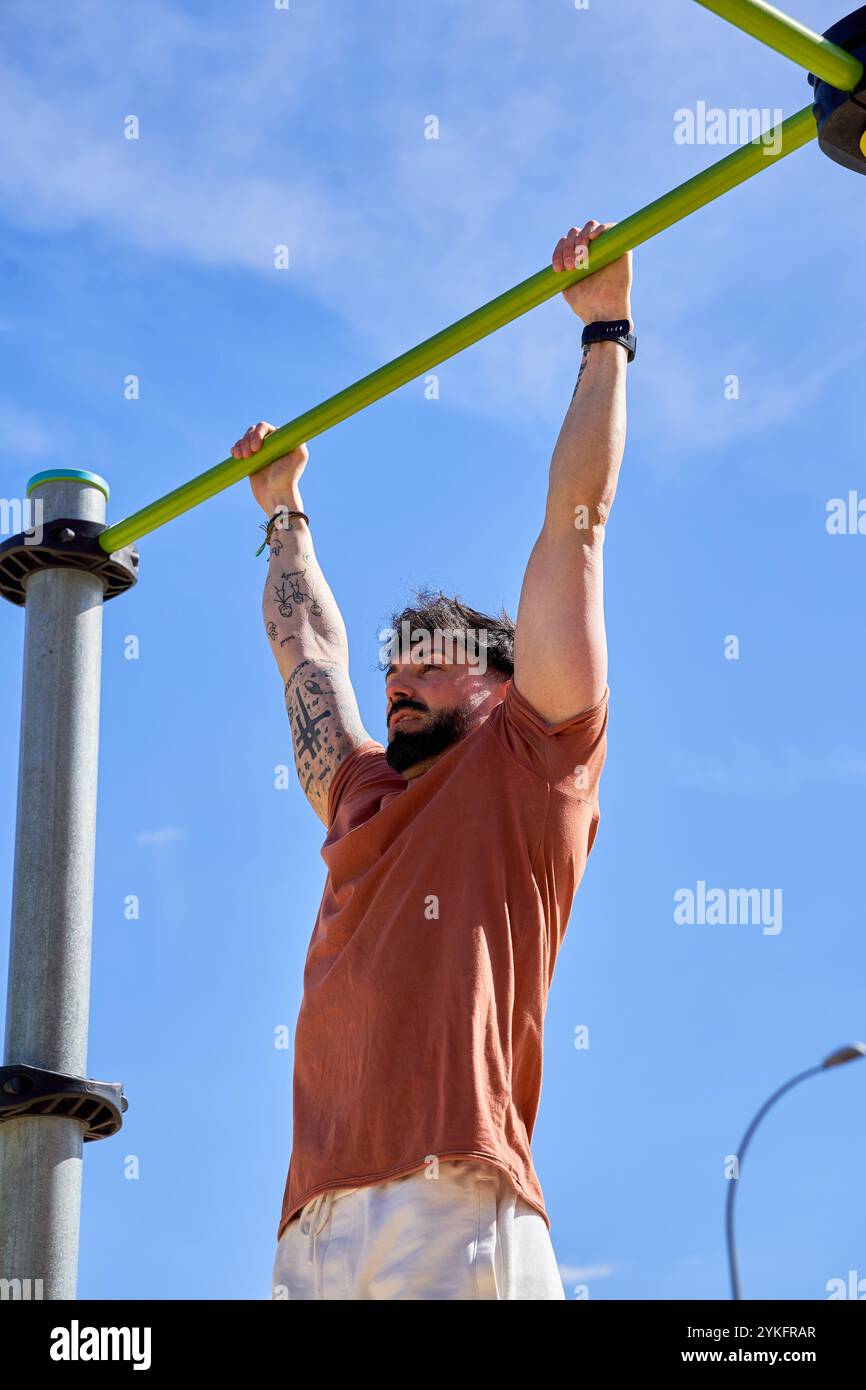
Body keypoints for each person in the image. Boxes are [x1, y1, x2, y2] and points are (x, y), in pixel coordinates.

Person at [231, 219, 634, 1300]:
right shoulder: (362, 794)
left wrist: (605, 332)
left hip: (451, 1201)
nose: (397, 675)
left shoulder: (529, 767)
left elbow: (576, 525)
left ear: (499, 687)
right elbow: (306, 659)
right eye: (394, 663)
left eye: (430, 662)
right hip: (312, 1226)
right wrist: (284, 517)